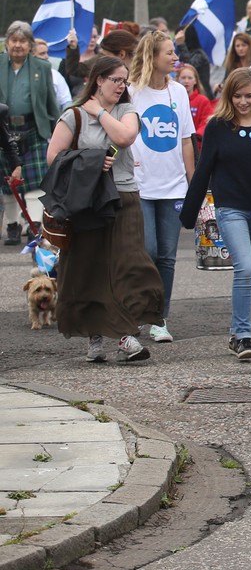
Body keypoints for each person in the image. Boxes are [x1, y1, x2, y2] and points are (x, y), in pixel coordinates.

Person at [47, 56, 162, 363]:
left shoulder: (126, 110)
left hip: (124, 196)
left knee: (130, 265)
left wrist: (98, 110)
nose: (122, 85)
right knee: (89, 269)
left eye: (125, 81)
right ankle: (100, 336)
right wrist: (91, 162)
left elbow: (125, 137)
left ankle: (124, 332)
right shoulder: (73, 115)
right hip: (88, 203)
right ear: (98, 80)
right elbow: (53, 158)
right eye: (116, 80)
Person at [180, 68, 251, 360]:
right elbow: (204, 169)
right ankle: (243, 335)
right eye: (237, 96)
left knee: (247, 272)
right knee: (246, 268)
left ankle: (238, 333)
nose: (243, 101)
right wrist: (190, 212)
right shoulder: (217, 126)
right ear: (228, 95)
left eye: (249, 95)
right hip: (230, 208)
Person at [127, 30, 195, 344]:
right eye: (168, 52)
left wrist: (193, 184)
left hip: (173, 187)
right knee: (149, 251)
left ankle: (159, 318)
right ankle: (138, 308)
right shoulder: (132, 92)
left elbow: (185, 141)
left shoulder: (179, 92)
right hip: (140, 186)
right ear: (152, 57)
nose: (174, 56)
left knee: (167, 256)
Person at [4, 22, 63, 246]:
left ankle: (34, 225)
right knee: (7, 181)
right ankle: (11, 226)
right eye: (13, 40)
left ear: (30, 45)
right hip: (4, 129)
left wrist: (56, 129)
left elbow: (50, 101)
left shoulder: (42, 67)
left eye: (22, 41)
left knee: (35, 181)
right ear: (7, 44)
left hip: (33, 128)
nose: (17, 45)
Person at [214, 32, 251, 96]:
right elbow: (227, 81)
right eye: (237, 46)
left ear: (249, 46)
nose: (240, 48)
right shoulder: (232, 62)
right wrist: (220, 86)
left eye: (243, 45)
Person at [178, 63, 214, 140]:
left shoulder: (202, 101)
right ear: (178, 79)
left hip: (196, 143)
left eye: (190, 78)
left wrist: (196, 137)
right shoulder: (172, 99)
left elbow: (206, 121)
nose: (186, 81)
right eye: (183, 78)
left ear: (195, 81)